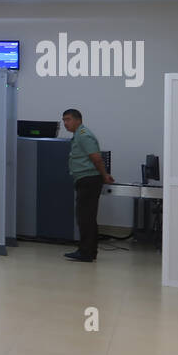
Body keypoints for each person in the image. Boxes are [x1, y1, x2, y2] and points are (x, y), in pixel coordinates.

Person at [61, 108, 113, 261]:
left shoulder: (84, 136)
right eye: (64, 120)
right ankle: (86, 250)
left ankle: (87, 252)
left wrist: (104, 176)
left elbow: (96, 158)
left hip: (89, 180)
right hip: (84, 179)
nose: (65, 123)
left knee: (86, 218)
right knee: (85, 217)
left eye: (68, 119)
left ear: (78, 120)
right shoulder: (78, 135)